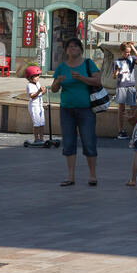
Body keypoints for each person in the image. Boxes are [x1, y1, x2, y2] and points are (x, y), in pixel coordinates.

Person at [51, 37, 102, 186]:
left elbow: (98, 81)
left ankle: (92, 175)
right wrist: (58, 81)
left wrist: (82, 78)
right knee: (68, 142)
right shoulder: (62, 67)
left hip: (86, 109)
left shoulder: (88, 63)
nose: (72, 48)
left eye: (75, 46)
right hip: (66, 109)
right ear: (66, 50)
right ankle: (70, 176)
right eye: (69, 47)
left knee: (89, 140)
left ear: (80, 49)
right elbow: (54, 89)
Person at [113, 41, 137, 139]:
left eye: (129, 52)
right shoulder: (117, 61)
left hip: (131, 86)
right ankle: (120, 130)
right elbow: (114, 76)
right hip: (121, 85)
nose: (128, 54)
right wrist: (116, 72)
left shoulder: (132, 59)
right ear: (122, 51)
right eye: (126, 52)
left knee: (134, 108)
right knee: (121, 109)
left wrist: (133, 48)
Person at [25, 65, 47, 143]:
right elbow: (32, 96)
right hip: (34, 106)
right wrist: (38, 91)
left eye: (38, 75)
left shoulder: (37, 83)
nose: (37, 77)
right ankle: (36, 139)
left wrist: (44, 91)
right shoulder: (29, 85)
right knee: (37, 123)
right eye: (35, 76)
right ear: (29, 77)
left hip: (40, 106)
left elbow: (41, 93)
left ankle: (41, 138)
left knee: (42, 123)